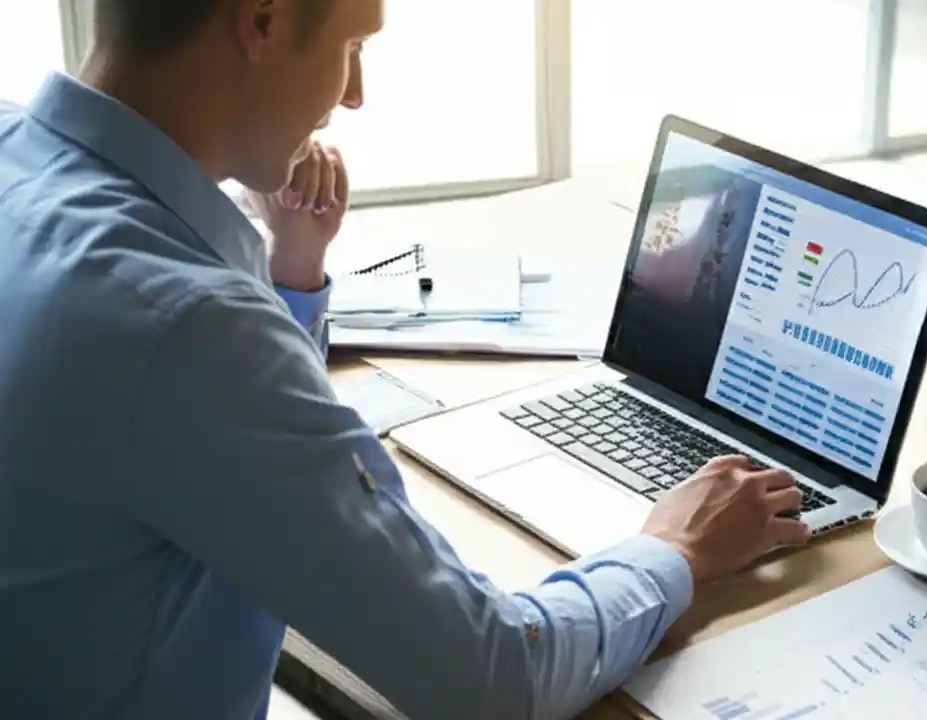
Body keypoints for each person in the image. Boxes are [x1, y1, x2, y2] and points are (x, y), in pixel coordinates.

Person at [0, 1, 811, 718]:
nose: (352, 94)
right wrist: (675, 548)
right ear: (262, 19)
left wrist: (289, 278)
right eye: (354, 44)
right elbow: (496, 678)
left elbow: (175, 437)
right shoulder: (190, 330)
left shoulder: (19, 165)